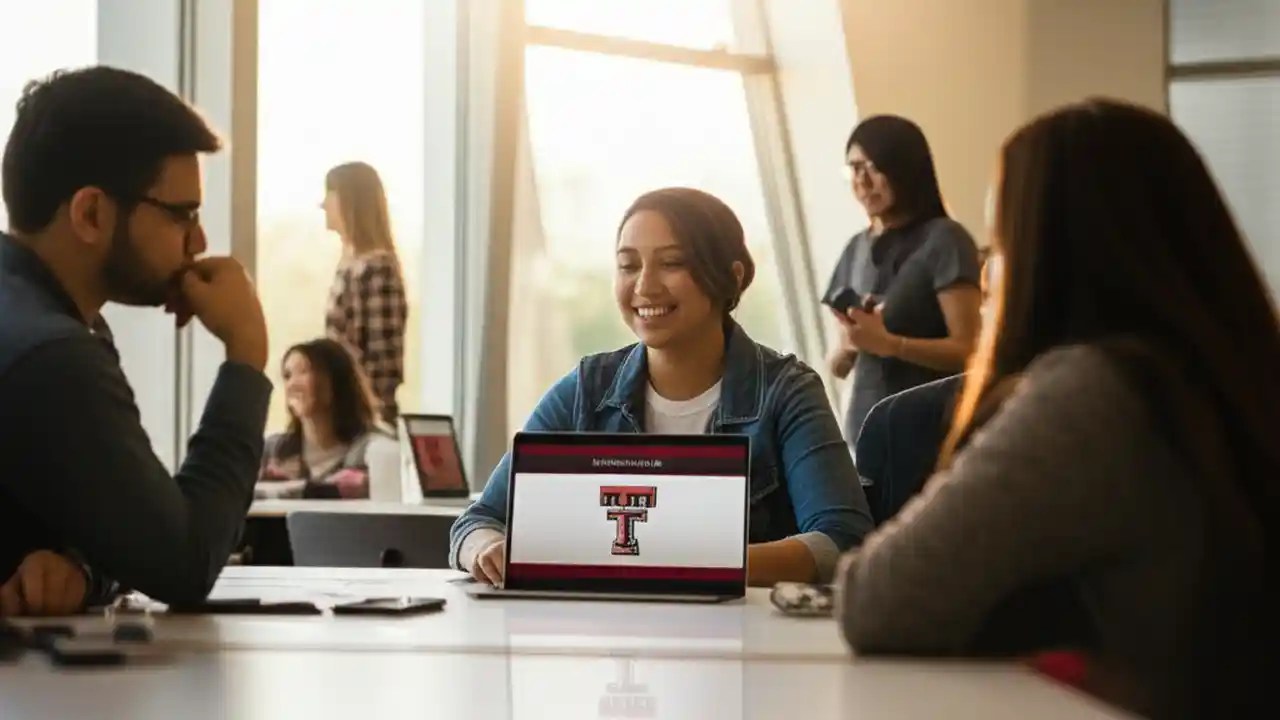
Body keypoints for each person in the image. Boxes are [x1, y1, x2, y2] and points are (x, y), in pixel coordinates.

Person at [836, 99, 1279, 719]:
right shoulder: (1233, 375)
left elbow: (877, 600)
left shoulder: (1095, 391)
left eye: (1004, 239)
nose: (990, 268)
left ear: (1049, 245)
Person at [451, 187, 873, 587]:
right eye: (629, 265)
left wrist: (681, 566)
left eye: (671, 263)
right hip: (605, 645)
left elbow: (841, 538)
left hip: (743, 644)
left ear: (730, 276)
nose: (644, 285)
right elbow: (476, 522)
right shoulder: (586, 389)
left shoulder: (787, 391)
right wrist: (487, 550)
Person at [0, 66, 271, 614]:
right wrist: (246, 354)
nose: (198, 241)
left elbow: (135, 542)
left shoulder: (39, 319)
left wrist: (84, 569)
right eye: (182, 215)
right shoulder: (50, 355)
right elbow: (184, 561)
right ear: (91, 213)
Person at [824, 115, 982, 466]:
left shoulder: (945, 239)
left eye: (873, 167)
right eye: (853, 169)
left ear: (904, 170)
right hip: (869, 435)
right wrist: (850, 347)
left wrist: (892, 345)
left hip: (935, 434)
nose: (862, 182)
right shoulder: (855, 248)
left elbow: (971, 349)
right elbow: (837, 364)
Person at [321, 161, 408, 427]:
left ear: (349, 201)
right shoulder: (350, 266)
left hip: (364, 422)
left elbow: (381, 367)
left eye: (329, 194)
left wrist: (363, 424)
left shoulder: (376, 268)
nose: (323, 204)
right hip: (348, 417)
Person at [257, 338, 395, 499]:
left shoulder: (373, 449)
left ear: (335, 381)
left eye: (304, 372)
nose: (292, 384)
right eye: (287, 375)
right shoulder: (273, 451)